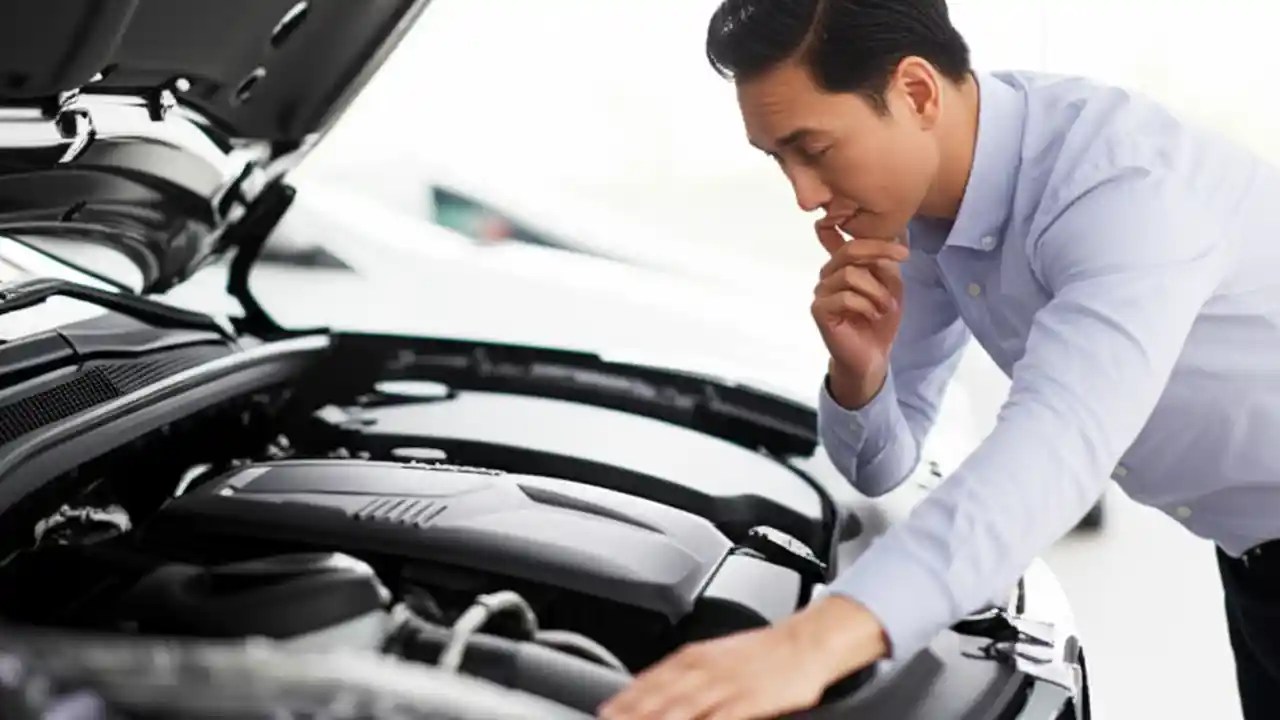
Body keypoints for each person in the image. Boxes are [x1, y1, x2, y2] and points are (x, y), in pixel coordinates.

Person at [597, 0, 1280, 719]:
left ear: (916, 92)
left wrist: (812, 643)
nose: (803, 195)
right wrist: (859, 376)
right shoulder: (926, 206)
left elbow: (1053, 449)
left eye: (815, 149)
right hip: (1251, 558)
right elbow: (883, 465)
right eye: (779, 159)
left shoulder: (1120, 192)